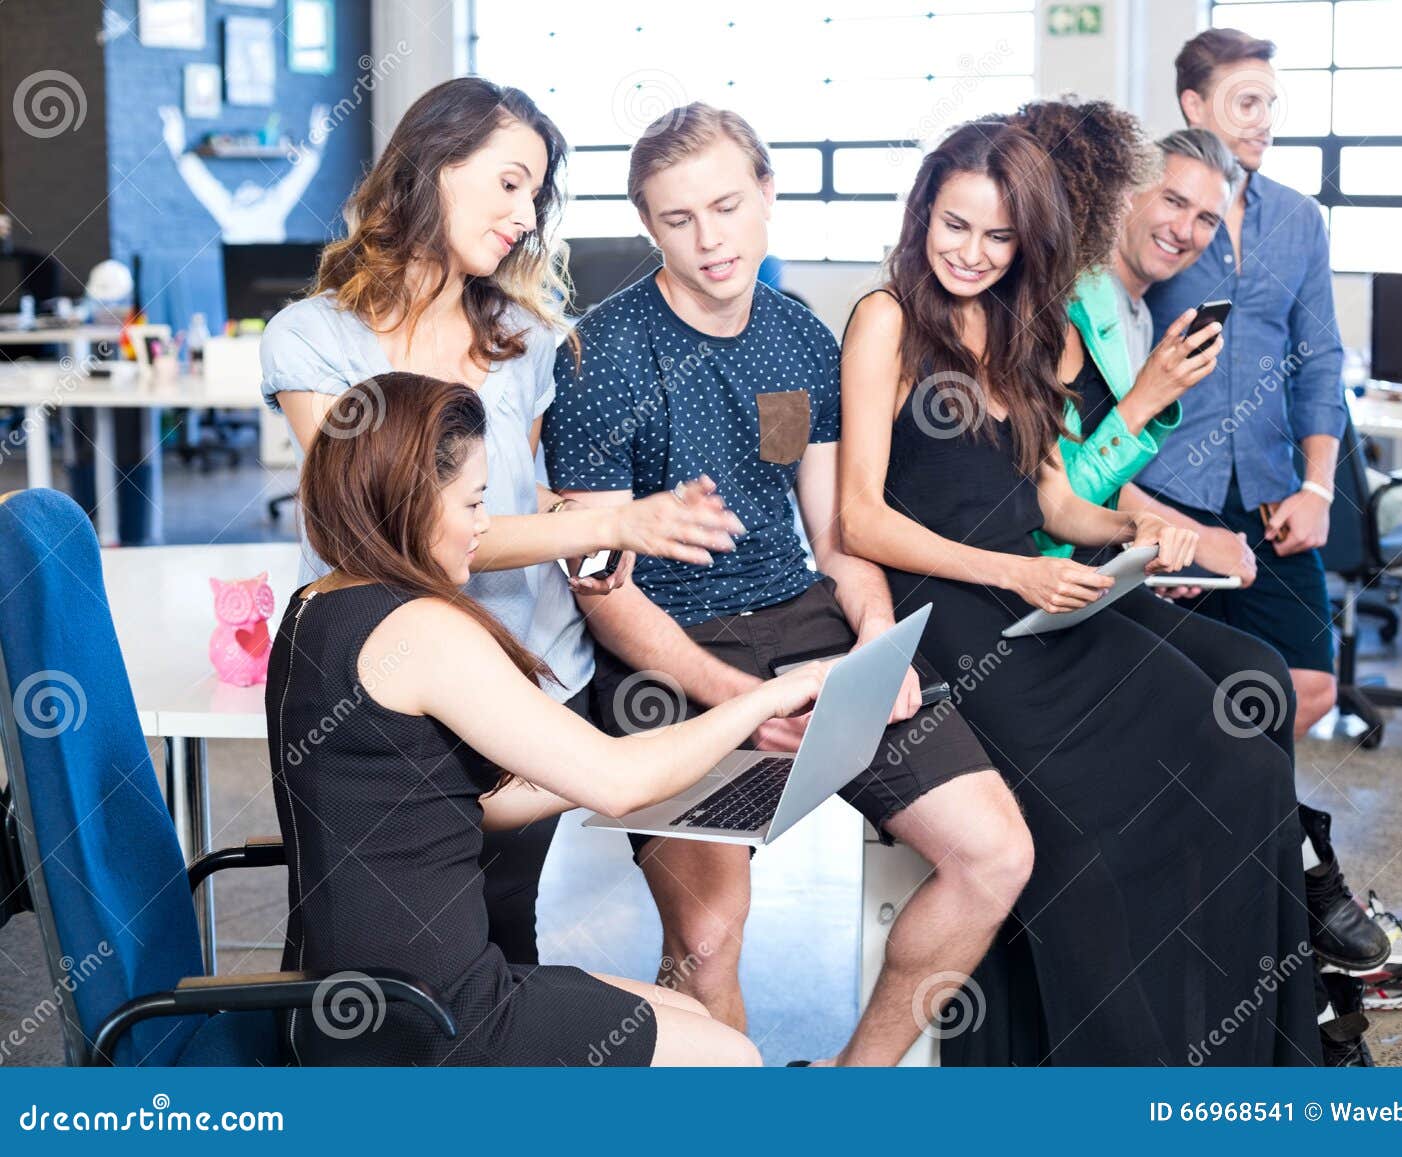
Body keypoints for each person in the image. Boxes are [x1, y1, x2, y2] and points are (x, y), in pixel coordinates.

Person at [543, 103, 1033, 1067]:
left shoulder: (799, 341)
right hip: (670, 659)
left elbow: (837, 539)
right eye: (678, 219)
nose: (709, 237)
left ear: (767, 194)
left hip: (803, 629)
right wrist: (740, 701)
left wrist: (875, 645)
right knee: (710, 933)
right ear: (649, 225)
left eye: (727, 204)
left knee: (995, 854)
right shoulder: (600, 359)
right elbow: (604, 591)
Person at [837, 120, 1321, 1066]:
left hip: (1046, 596)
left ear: (1028, 240)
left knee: (1242, 752)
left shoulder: (1021, 326)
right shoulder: (886, 318)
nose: (972, 254)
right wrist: (1016, 569)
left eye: (998, 236)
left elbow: (1055, 494)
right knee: (1120, 817)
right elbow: (861, 520)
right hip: (957, 614)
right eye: (955, 226)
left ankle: (1222, 1051)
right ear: (922, 212)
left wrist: (1139, 530)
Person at [259, 77, 743, 968]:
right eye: (510, 182)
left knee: (503, 933)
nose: (526, 213)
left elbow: (520, 500)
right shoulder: (312, 338)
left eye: (536, 191)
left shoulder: (519, 331)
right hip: (398, 690)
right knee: (403, 949)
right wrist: (624, 522)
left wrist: (596, 536)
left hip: (530, 673)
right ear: (436, 166)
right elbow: (385, 529)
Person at [270, 373, 822, 1065]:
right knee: (732, 1059)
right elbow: (617, 781)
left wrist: (653, 765)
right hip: (431, 1018)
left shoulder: (314, 606)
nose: (483, 527)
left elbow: (474, 800)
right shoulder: (423, 631)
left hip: (349, 999)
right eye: (473, 502)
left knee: (685, 1008)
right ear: (409, 502)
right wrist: (767, 698)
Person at [1002, 102, 1393, 1060]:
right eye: (1170, 201)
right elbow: (1053, 491)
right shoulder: (1062, 303)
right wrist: (1152, 500)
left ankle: (1281, 1003)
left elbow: (1100, 472)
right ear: (1121, 196)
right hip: (1039, 592)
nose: (1185, 227)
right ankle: (1298, 936)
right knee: (1246, 711)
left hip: (1099, 565)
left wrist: (1162, 532)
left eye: (1207, 218)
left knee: (1263, 686)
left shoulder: (1134, 311)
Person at [1121, 28, 1344, 743]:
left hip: (1272, 495)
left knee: (1308, 686)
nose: (1264, 120)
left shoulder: (1299, 220)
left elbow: (1320, 359)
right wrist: (1151, 520)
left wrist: (1318, 489)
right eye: (1246, 102)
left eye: (1271, 104)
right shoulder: (1147, 211)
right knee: (1174, 695)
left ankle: (1231, 829)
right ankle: (1211, 842)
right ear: (1193, 105)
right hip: (1165, 491)